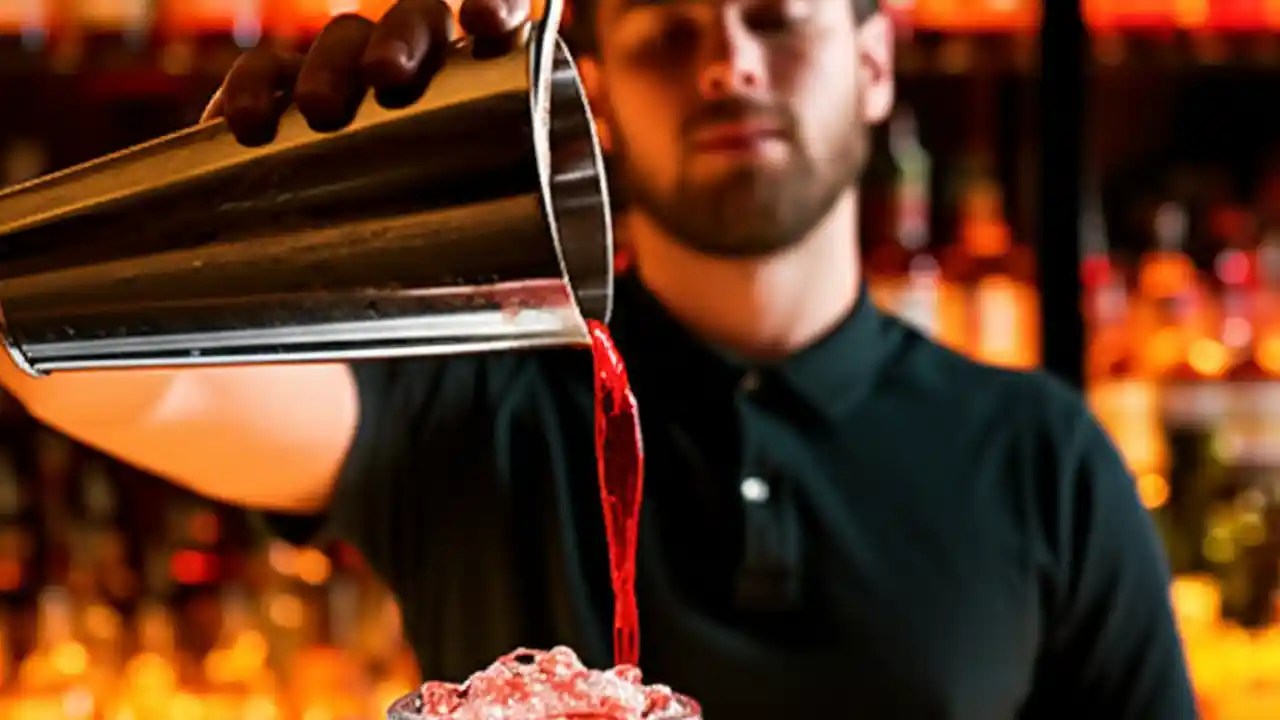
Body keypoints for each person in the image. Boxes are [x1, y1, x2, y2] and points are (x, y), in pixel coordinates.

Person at [0, 0, 1198, 716]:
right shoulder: (474, 396)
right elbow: (122, 378)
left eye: (774, 17)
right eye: (668, 29)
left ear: (874, 62)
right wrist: (236, 210)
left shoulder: (1042, 458)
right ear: (603, 88)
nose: (726, 61)